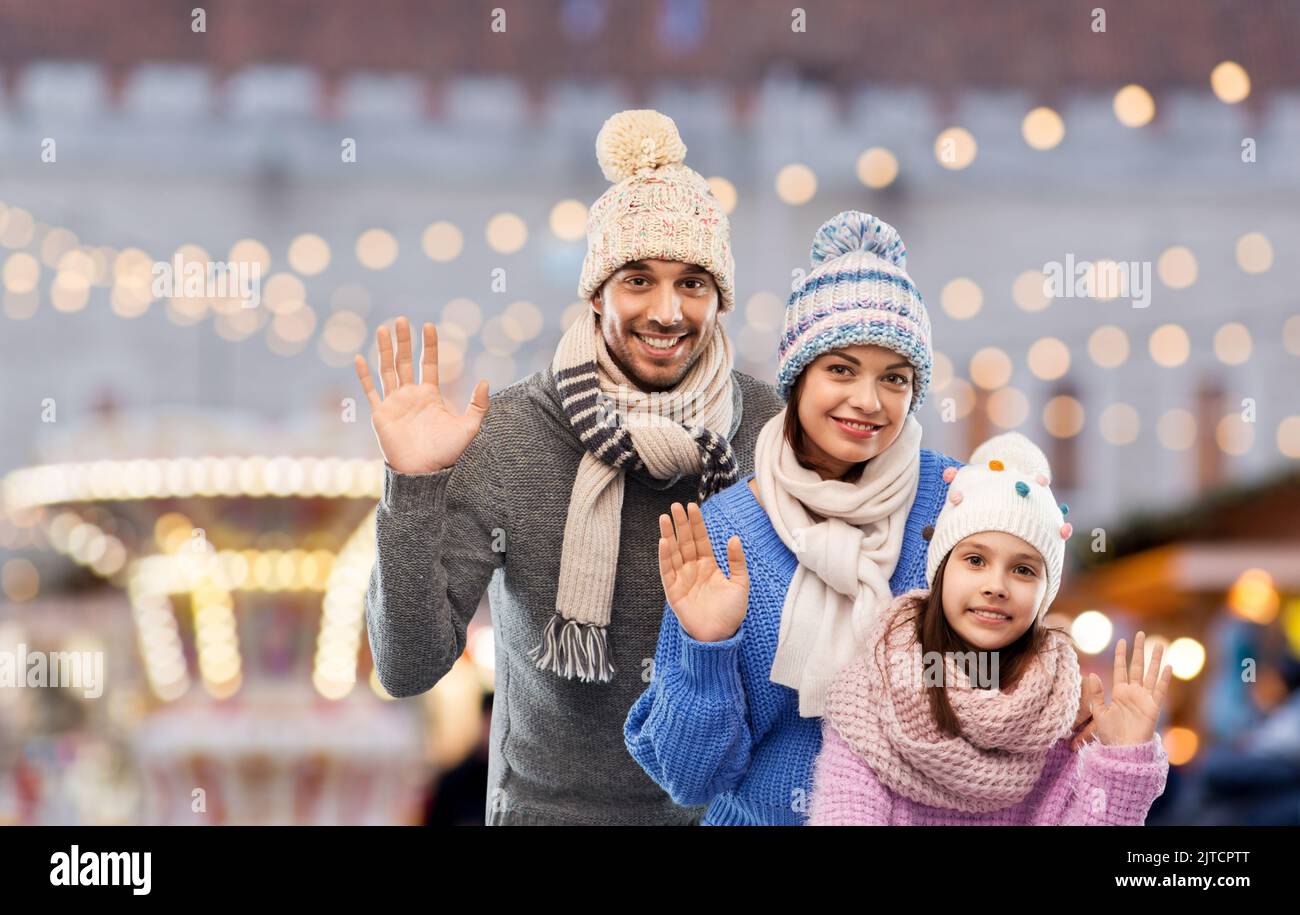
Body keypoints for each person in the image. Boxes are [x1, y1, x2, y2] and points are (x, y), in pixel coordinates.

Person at [356, 109, 783, 825]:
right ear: (596, 292)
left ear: (719, 299)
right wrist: (414, 486)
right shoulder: (514, 433)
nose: (668, 310)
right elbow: (406, 667)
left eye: (694, 284)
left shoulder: (768, 430)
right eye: (638, 279)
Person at [625, 211, 964, 824]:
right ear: (797, 378)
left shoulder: (951, 507)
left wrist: (1026, 543)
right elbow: (690, 778)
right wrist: (707, 647)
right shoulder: (729, 530)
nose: (868, 401)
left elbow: (1004, 699)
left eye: (895, 378)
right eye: (841, 369)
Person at [807, 433, 1173, 825]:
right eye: (976, 560)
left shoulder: (1065, 716)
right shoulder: (871, 694)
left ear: (1044, 594)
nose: (996, 586)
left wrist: (1122, 755)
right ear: (943, 571)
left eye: (1023, 570)